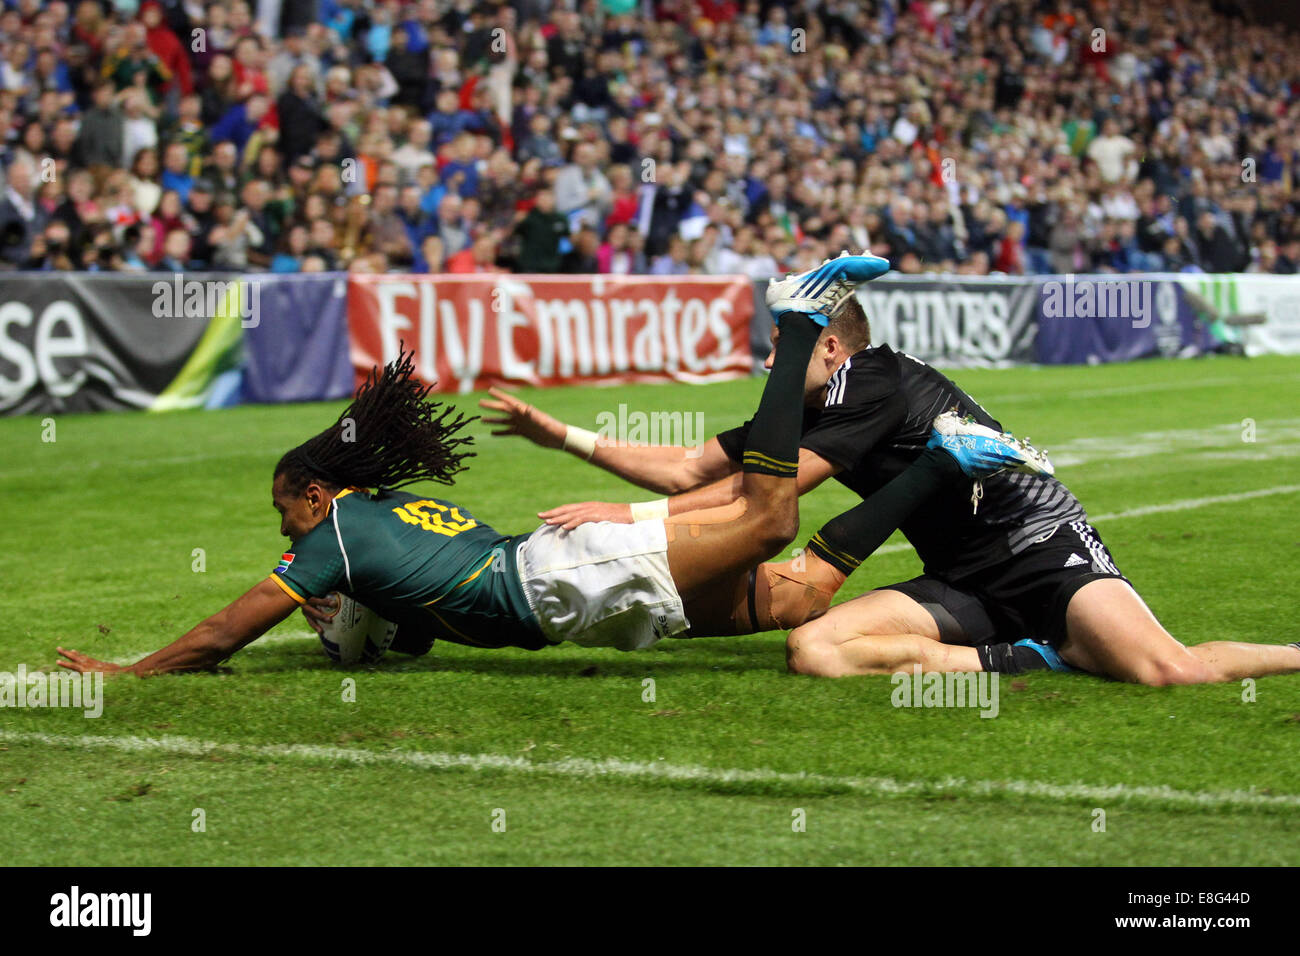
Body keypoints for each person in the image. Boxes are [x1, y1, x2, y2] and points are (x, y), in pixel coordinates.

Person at [56, 255, 914, 676]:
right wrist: (367, 632)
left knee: (770, 521)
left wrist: (132, 670)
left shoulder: (334, 537)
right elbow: (423, 626)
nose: (284, 528)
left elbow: (220, 635)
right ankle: (941, 472)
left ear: (315, 495)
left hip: (560, 588)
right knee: (794, 597)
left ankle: (796, 317)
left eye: (286, 510)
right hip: (555, 585)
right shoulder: (380, 512)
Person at [487, 267, 1300, 686]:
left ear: (830, 349)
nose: (771, 362)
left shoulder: (870, 383)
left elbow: (754, 500)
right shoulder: (814, 404)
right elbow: (691, 466)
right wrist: (560, 434)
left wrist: (625, 520)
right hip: (963, 577)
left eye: (785, 347)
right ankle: (1041, 659)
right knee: (814, 650)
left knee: (1171, 671)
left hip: (1039, 543)